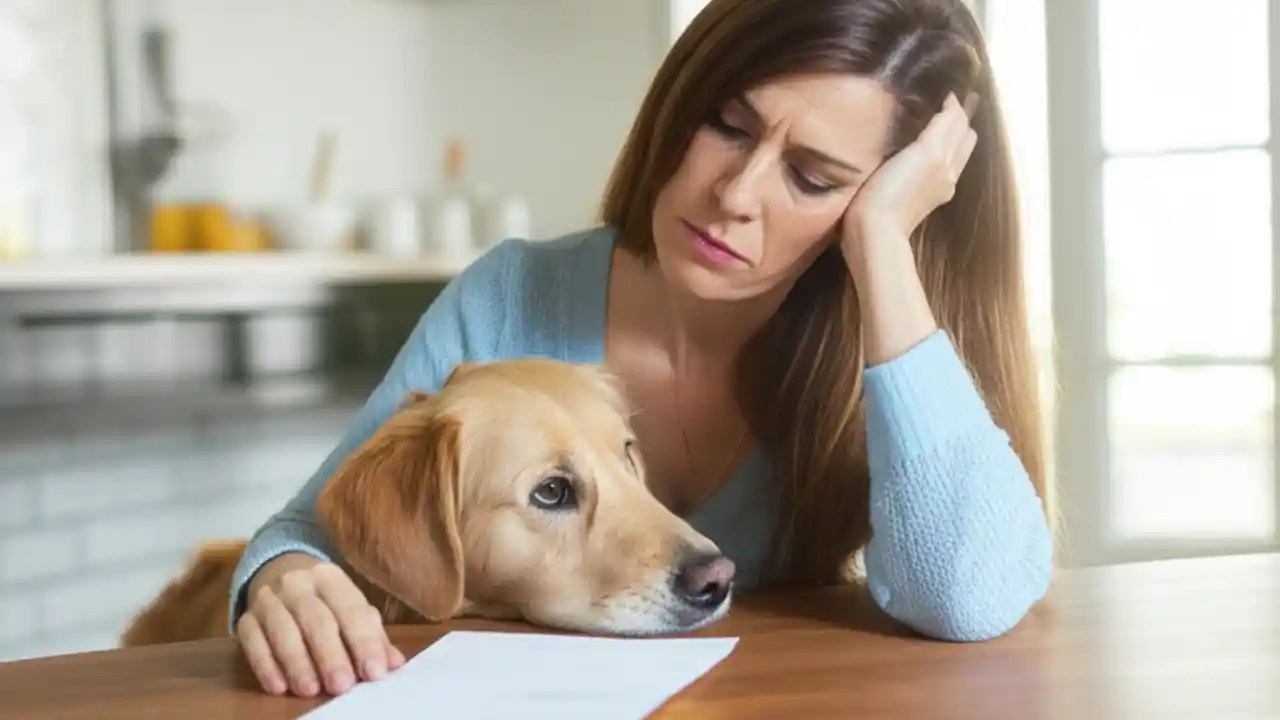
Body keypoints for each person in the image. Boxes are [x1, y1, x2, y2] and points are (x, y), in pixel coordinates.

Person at [230, 0, 1055, 698]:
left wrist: (880, 248)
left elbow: (967, 597)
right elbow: (309, 530)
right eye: (728, 124)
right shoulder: (510, 300)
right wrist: (284, 582)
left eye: (812, 178)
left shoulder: (887, 343)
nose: (735, 195)